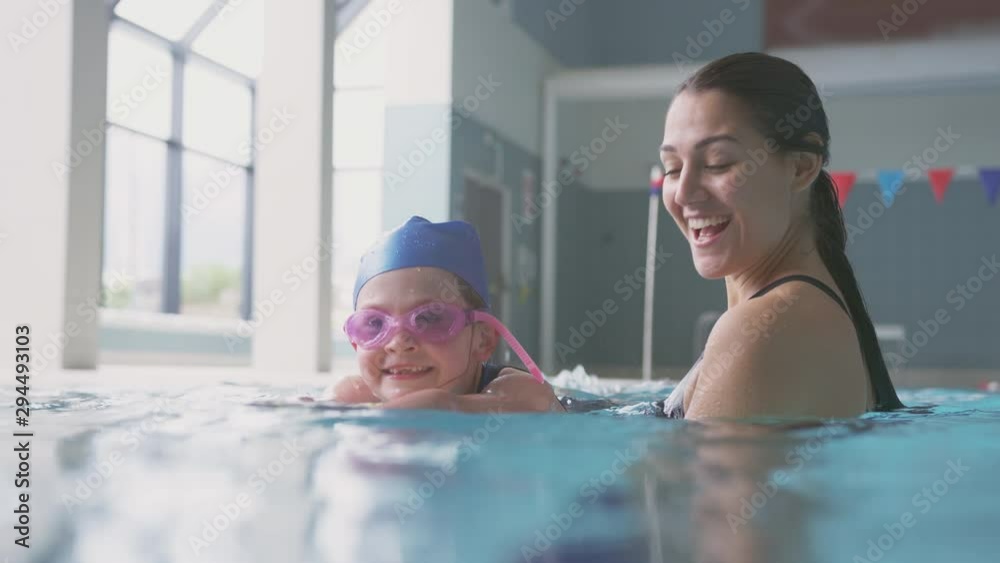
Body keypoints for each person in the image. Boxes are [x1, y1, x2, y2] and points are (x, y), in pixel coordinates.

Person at [656, 52, 904, 419]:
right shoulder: (799, 312)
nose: (683, 192)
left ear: (801, 167)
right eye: (673, 168)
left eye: (718, 163)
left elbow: (695, 477)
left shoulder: (762, 330)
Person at [329, 216, 563, 413]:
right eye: (374, 323)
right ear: (355, 342)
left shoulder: (521, 392)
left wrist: (435, 405)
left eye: (429, 319)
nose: (398, 343)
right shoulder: (350, 395)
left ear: (483, 340)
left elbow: (440, 406)